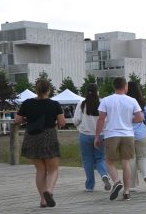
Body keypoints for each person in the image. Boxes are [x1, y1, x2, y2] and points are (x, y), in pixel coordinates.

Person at [15, 78, 65, 207]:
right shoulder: (55, 104)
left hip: (32, 137)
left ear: (36, 90)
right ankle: (49, 190)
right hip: (48, 136)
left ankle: (43, 200)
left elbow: (17, 119)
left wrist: (28, 119)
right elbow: (62, 123)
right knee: (53, 169)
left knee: (40, 169)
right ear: (49, 90)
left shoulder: (27, 103)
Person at [95, 77, 143, 201]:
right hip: (128, 134)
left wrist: (97, 136)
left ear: (114, 86)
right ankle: (126, 192)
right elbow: (140, 117)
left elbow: (101, 119)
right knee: (126, 162)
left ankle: (117, 181)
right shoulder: (132, 100)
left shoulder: (106, 100)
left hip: (112, 134)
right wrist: (129, 120)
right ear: (125, 86)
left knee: (109, 161)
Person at [73, 84, 111, 192]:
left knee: (87, 160)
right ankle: (104, 175)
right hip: (101, 135)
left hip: (85, 135)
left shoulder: (82, 104)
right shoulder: (102, 104)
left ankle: (90, 186)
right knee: (100, 158)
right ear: (97, 92)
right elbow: (106, 120)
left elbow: (76, 120)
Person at [127, 81, 146, 191]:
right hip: (141, 134)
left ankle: (132, 184)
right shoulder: (143, 102)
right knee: (143, 156)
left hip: (127, 134)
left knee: (131, 158)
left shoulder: (125, 102)